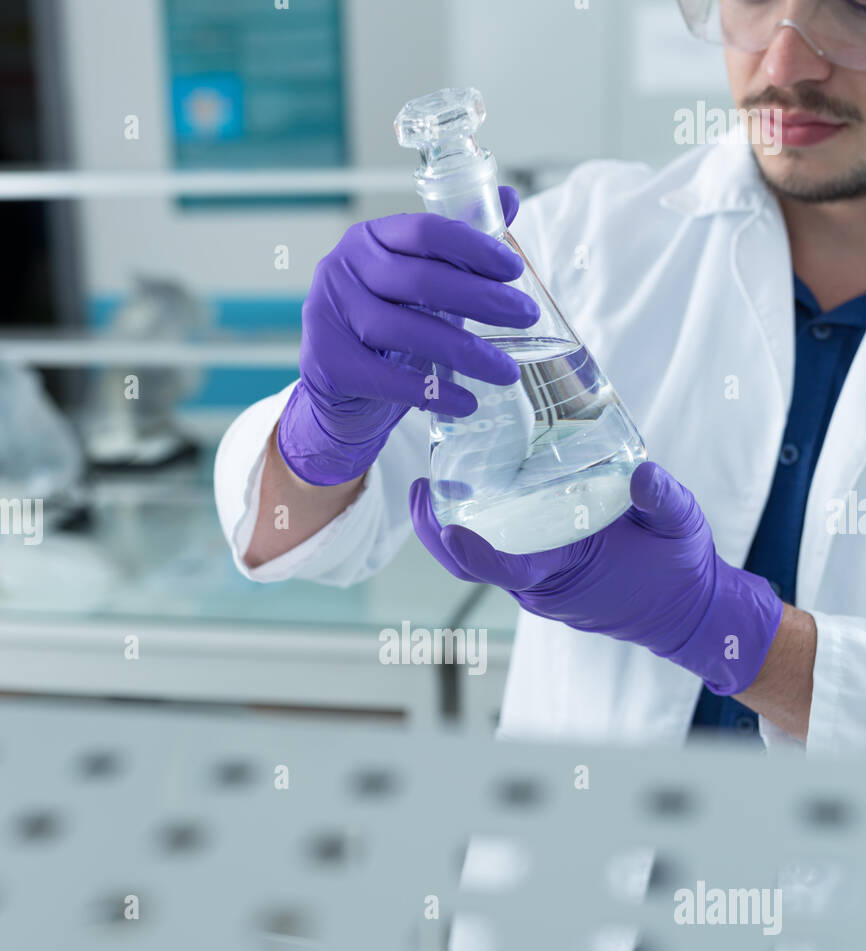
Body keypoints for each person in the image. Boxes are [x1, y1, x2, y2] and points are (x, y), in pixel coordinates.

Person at [214, 0, 866, 754]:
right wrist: (322, 435)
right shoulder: (591, 236)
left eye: (853, 6)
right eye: (754, 0)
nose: (784, 65)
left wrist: (732, 632)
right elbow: (290, 539)